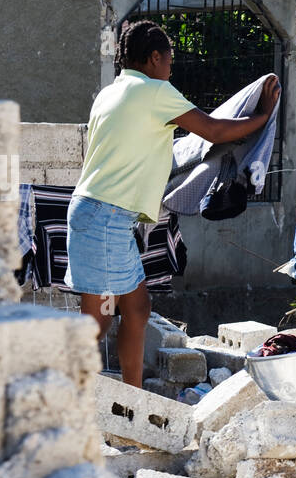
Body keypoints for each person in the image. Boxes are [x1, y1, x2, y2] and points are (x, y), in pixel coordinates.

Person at [66, 19, 281, 386]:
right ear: (153, 59)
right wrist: (261, 117)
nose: (169, 71)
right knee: (97, 323)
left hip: (98, 216)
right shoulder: (154, 92)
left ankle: (132, 401)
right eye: (168, 62)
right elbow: (212, 130)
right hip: (105, 219)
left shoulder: (110, 92)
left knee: (136, 308)